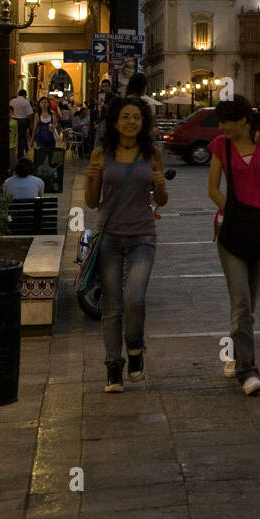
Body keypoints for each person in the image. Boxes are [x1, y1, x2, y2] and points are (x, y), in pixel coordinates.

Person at [84, 96, 168, 393]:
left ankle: (134, 348)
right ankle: (113, 366)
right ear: (115, 122)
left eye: (137, 117)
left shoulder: (152, 154)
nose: (131, 122)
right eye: (125, 117)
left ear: (143, 123)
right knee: (112, 307)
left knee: (135, 298)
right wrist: (91, 180)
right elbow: (92, 202)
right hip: (108, 237)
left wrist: (159, 184)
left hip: (142, 236)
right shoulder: (100, 154)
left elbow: (162, 200)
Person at [208, 96, 260, 395]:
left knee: (249, 306)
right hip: (231, 231)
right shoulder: (221, 146)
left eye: (225, 121)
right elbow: (212, 188)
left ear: (242, 120)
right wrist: (232, 210)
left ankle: (234, 353)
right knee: (240, 302)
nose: (221, 127)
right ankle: (248, 370)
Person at [30, 97, 59, 169]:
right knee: (40, 157)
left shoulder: (52, 114)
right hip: (40, 139)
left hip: (51, 139)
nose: (44, 104)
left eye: (46, 102)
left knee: (50, 157)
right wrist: (32, 140)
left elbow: (56, 123)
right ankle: (40, 173)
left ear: (48, 104)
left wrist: (54, 126)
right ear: (39, 104)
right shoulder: (37, 115)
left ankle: (49, 173)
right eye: (42, 102)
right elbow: (35, 128)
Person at [10, 88, 33, 159]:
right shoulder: (26, 102)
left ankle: (12, 152)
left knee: (12, 137)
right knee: (22, 137)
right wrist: (31, 123)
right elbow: (29, 113)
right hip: (23, 121)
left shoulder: (12, 101)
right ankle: (20, 154)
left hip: (13, 120)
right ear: (25, 95)